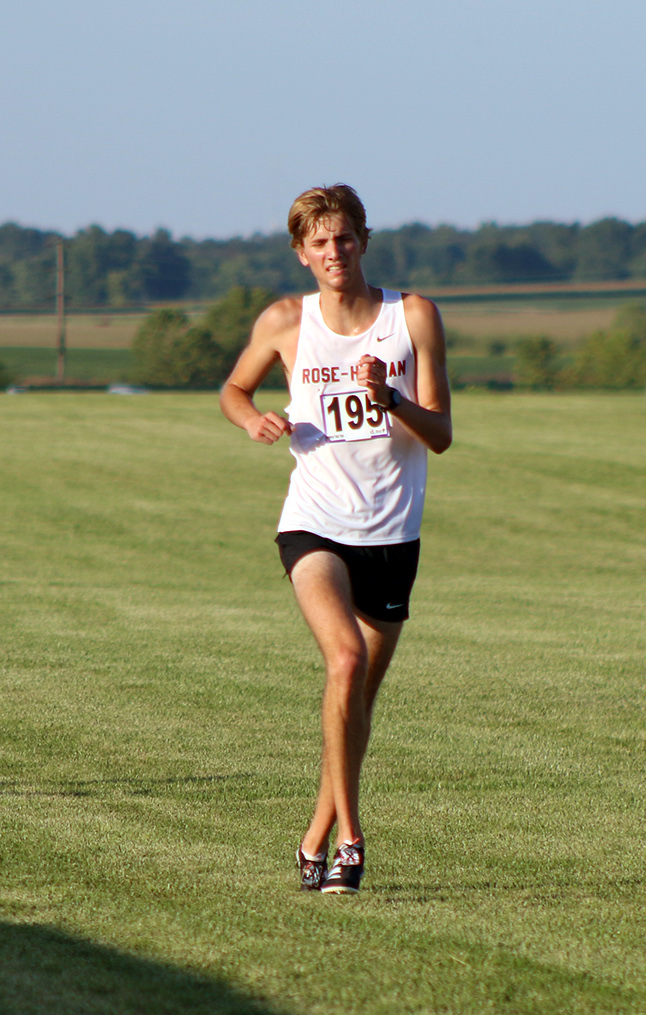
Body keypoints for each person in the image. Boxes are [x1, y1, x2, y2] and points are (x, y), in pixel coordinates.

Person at [219, 185, 452, 894]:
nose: (333, 252)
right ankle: (352, 839)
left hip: (393, 533)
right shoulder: (286, 320)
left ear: (363, 241)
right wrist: (252, 418)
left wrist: (392, 399)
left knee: (356, 706)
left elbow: (441, 434)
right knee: (344, 661)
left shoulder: (412, 316)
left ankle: (313, 838)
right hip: (314, 524)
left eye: (344, 238)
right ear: (301, 253)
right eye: (318, 242)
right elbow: (233, 389)